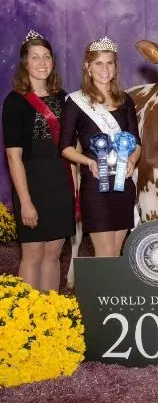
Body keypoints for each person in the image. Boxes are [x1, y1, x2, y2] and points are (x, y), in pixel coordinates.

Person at [2, 30, 75, 291]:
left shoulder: (62, 97)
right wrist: (26, 203)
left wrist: (74, 190)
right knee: (33, 254)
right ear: (25, 63)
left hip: (60, 183)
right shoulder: (14, 102)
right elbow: (13, 156)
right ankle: (29, 322)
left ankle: (51, 316)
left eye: (47, 57)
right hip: (32, 184)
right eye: (35, 57)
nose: (42, 63)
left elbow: (70, 146)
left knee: (54, 254)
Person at [59, 36, 141, 257]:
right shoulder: (75, 102)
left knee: (116, 254)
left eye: (109, 62)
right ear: (88, 67)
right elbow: (65, 147)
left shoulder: (126, 101)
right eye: (98, 63)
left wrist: (132, 159)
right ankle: (101, 293)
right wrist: (89, 161)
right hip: (96, 185)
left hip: (123, 184)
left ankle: (112, 293)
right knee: (104, 256)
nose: (104, 69)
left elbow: (136, 143)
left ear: (115, 67)